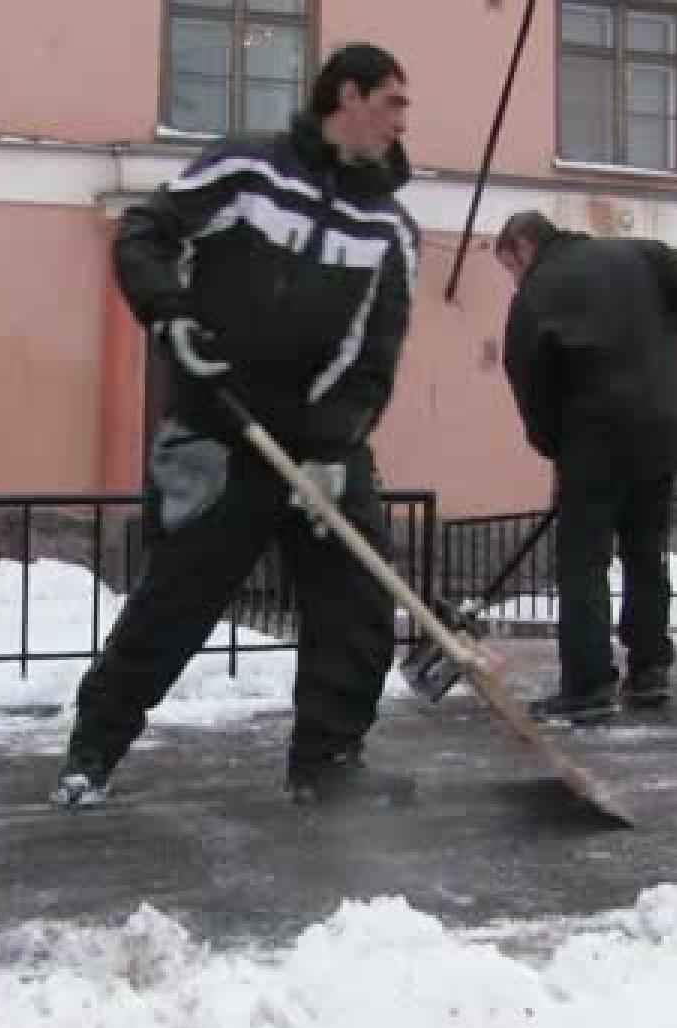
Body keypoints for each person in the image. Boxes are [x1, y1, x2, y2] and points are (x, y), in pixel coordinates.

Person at [52, 43, 421, 809]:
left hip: (322, 446)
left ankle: (327, 761)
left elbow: (371, 355)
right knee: (177, 601)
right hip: (224, 428)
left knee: (354, 602)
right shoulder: (247, 173)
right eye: (391, 101)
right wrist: (171, 316)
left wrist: (332, 448)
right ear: (345, 95)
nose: (401, 120)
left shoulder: (390, 229)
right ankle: (93, 750)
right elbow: (147, 235)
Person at [493, 210, 677, 723]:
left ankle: (588, 684)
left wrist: (554, 444)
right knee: (646, 553)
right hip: (661, 430)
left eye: (510, 268)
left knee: (584, 562)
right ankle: (649, 672)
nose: (514, 279)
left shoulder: (537, 292)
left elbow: (528, 376)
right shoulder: (640, 254)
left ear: (522, 247)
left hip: (594, 440)